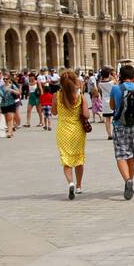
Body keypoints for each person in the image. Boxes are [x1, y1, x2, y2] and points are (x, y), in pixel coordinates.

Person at [110, 64, 134, 200]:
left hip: (119, 125)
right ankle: (131, 179)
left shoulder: (116, 89)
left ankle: (127, 180)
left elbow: (113, 107)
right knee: (131, 154)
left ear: (120, 76)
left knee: (121, 155)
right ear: (133, 76)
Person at [54, 69, 89, 199]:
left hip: (63, 130)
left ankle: (70, 183)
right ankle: (79, 186)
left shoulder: (57, 96)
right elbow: (86, 115)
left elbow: (53, 112)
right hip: (77, 130)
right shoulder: (80, 97)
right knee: (79, 158)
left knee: (66, 160)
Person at [0, 71, 21, 138]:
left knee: (10, 118)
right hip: (4, 104)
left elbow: (18, 93)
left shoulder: (12, 86)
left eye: (6, 79)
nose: (5, 80)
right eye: (4, 79)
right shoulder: (1, 87)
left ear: (9, 79)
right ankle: (10, 130)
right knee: (6, 119)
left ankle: (9, 132)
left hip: (11, 103)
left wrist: (12, 90)